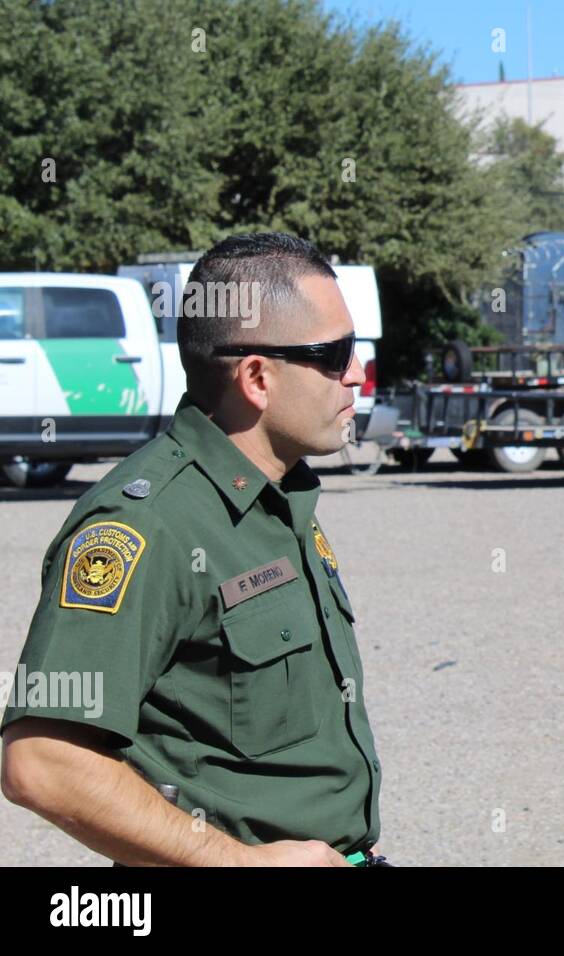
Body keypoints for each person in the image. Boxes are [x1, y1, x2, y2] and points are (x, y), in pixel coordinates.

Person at [1, 233, 384, 866]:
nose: (355, 374)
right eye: (335, 353)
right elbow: (42, 761)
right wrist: (245, 864)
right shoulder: (147, 524)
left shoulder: (277, 496)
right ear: (257, 377)